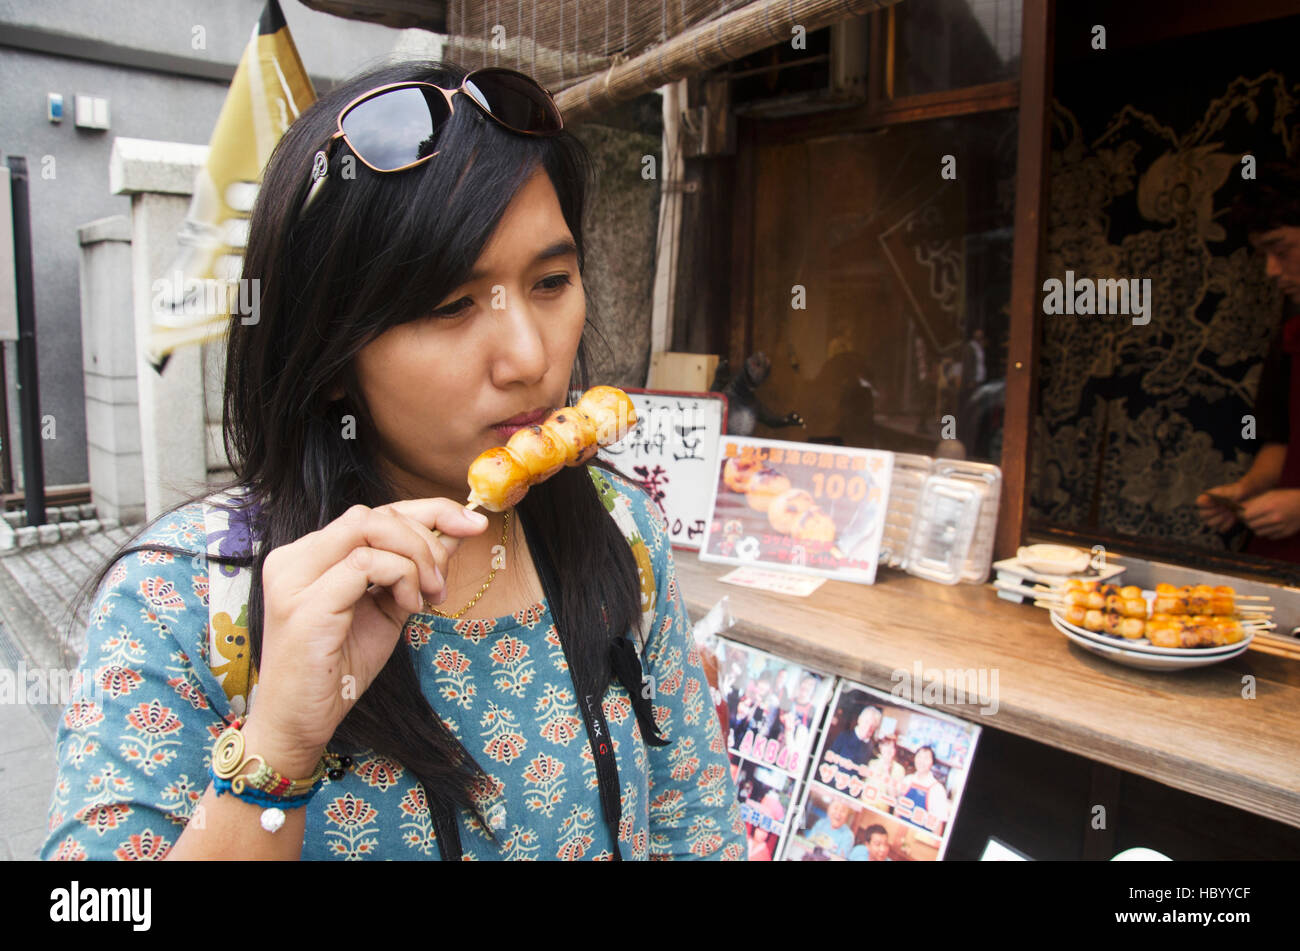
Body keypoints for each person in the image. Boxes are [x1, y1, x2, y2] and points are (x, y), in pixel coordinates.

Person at [40, 60, 743, 862]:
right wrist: (276, 747)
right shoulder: (182, 602)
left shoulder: (622, 533)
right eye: (451, 305)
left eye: (551, 280)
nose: (528, 356)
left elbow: (697, 828)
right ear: (332, 353)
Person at [1197, 162, 1300, 559]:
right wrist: (1246, 490)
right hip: (1285, 557)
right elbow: (1282, 439)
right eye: (1264, 254)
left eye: (1281, 249)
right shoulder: (1292, 333)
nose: (1272, 271)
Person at [896, 746, 950, 833]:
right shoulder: (907, 780)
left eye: (926, 758)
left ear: (932, 763)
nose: (922, 761)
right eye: (919, 756)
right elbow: (898, 808)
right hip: (900, 830)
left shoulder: (937, 789)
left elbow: (938, 824)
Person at [824, 704, 882, 775]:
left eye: (872, 726)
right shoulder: (844, 736)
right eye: (866, 722)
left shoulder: (871, 746)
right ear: (859, 720)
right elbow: (827, 758)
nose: (868, 728)